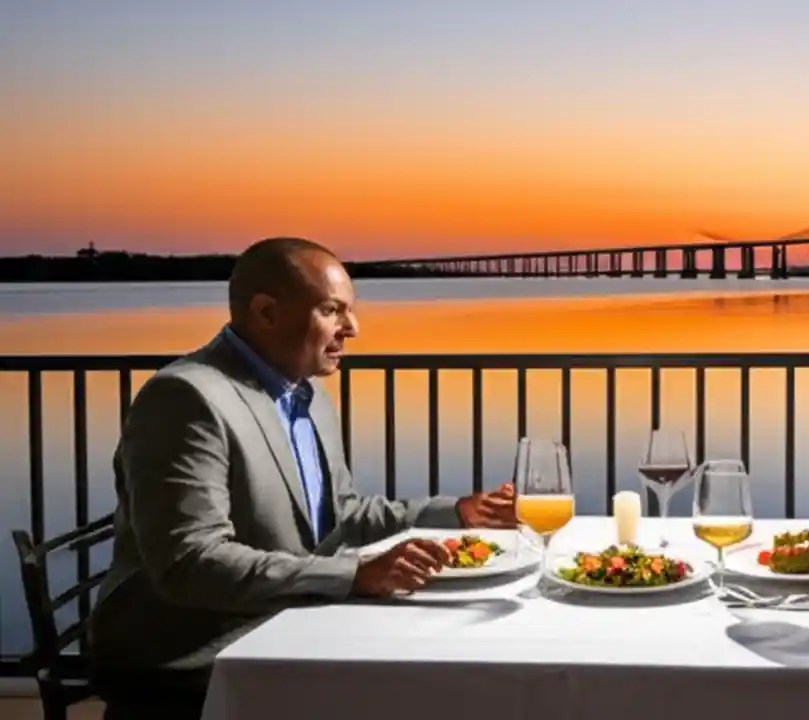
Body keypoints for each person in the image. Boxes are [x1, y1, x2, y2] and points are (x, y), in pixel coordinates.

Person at [89, 237, 517, 719]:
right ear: (266, 312)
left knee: (448, 656)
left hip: (286, 620)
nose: (352, 328)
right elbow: (191, 563)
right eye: (332, 310)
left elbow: (342, 514)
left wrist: (457, 511)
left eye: (349, 311)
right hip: (198, 653)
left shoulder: (303, 394)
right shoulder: (187, 399)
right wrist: (353, 575)